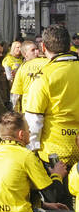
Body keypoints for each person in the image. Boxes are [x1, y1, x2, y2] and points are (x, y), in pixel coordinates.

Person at [23, 24, 79, 171]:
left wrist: (32, 150)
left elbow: (34, 119)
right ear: (69, 45)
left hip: (55, 155)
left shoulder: (44, 76)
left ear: (43, 47)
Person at [9, 39, 44, 109]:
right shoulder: (22, 68)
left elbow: (15, 95)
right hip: (29, 107)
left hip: (42, 106)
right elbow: (16, 94)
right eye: (32, 50)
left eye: (37, 49)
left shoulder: (45, 62)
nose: (36, 52)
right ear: (25, 54)